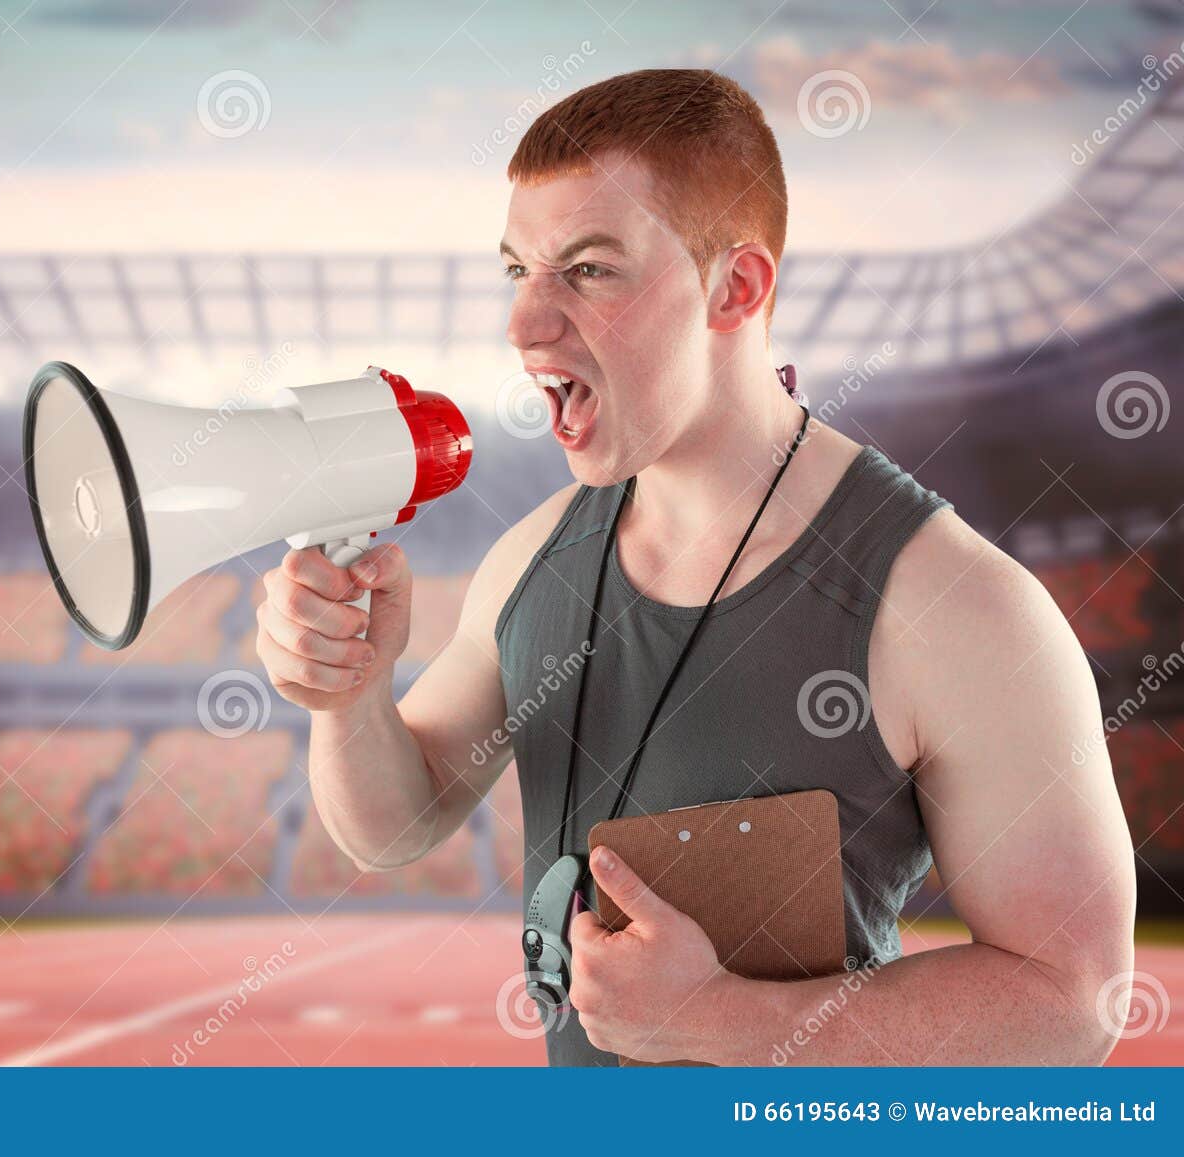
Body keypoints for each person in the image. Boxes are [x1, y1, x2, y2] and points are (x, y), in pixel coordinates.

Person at [254, 69, 1135, 1066]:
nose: (524, 323)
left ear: (736, 287)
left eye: (589, 269)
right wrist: (349, 694)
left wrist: (722, 1018)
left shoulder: (954, 601)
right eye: (519, 270)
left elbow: (1075, 997)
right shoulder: (531, 557)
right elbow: (395, 822)